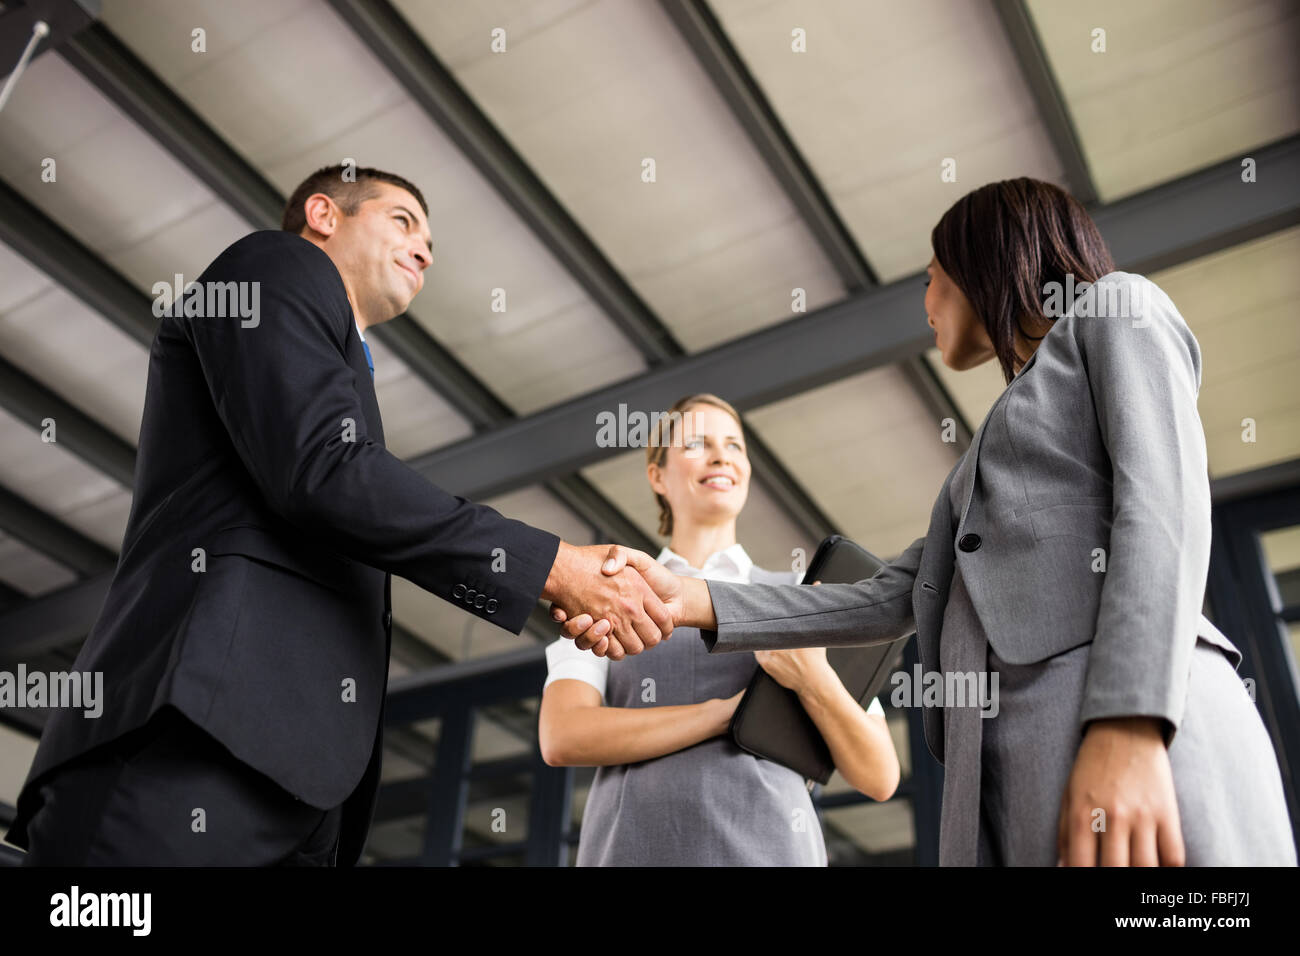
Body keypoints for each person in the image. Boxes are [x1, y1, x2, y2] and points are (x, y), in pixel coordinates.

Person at [556, 178, 1298, 866]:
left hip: (1136, 728)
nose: (926, 301)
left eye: (931, 278)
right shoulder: (972, 473)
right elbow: (878, 599)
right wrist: (685, 600)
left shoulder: (1117, 311)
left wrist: (1131, 726)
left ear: (983, 264)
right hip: (1021, 769)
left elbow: (1165, 510)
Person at [6, 164, 672, 866]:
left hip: (298, 790)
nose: (425, 250)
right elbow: (324, 471)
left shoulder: (345, 364)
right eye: (403, 221)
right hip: (198, 738)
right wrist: (553, 567)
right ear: (325, 214)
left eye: (431, 242)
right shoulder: (275, 264)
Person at [540, 394, 899, 865]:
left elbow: (879, 774)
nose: (721, 456)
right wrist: (726, 714)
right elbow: (565, 735)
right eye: (697, 443)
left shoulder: (803, 595)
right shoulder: (609, 590)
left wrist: (813, 678)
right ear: (657, 476)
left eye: (734, 445)